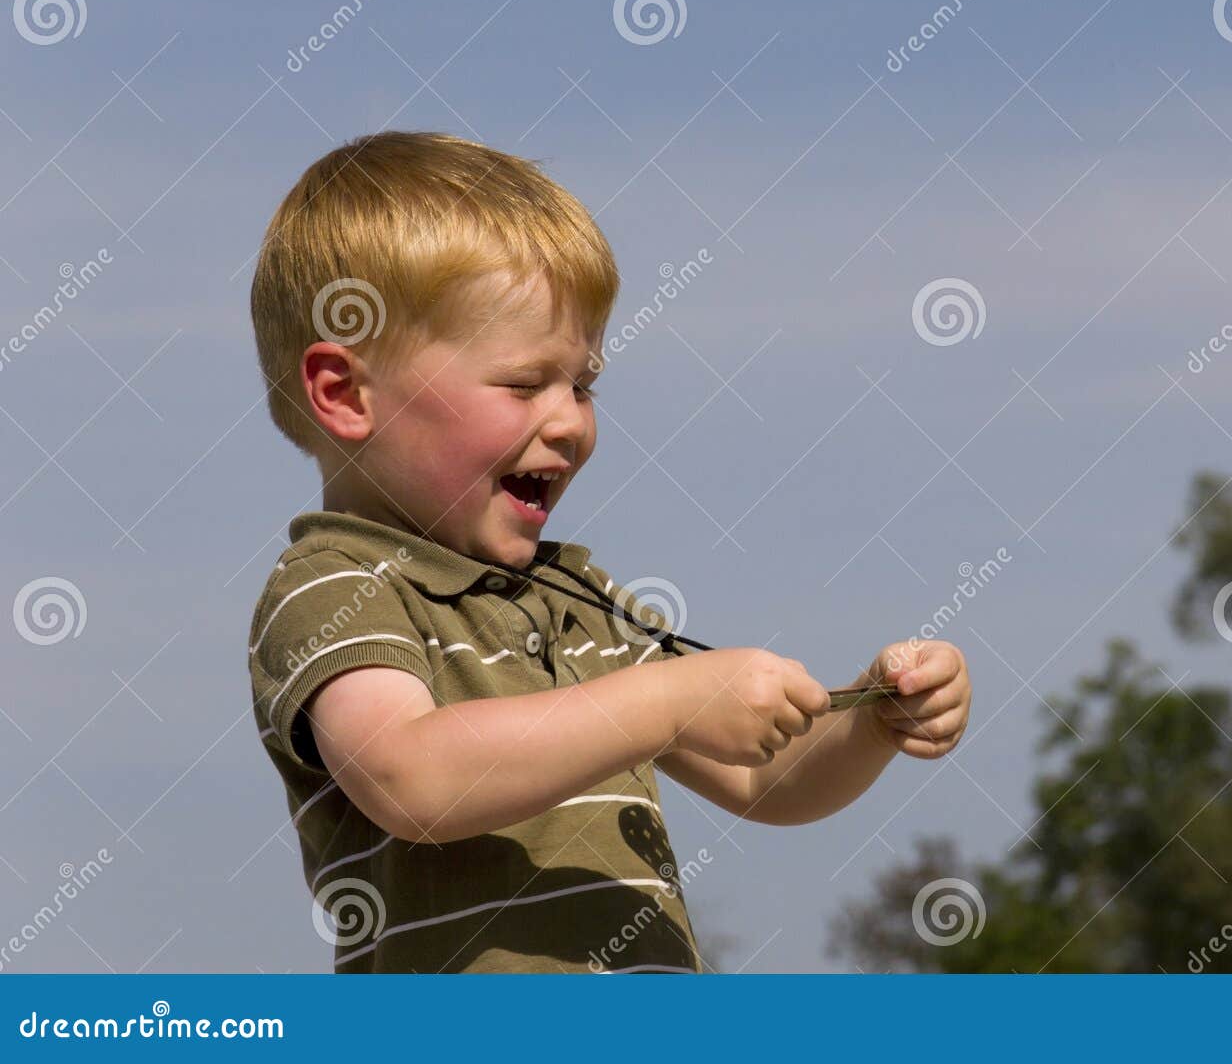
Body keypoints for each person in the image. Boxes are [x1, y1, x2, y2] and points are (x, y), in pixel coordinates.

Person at [245, 130, 972, 973]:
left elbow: (763, 781)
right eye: (523, 384)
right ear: (345, 392)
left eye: (583, 384)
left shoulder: (574, 597)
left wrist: (873, 720)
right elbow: (414, 777)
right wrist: (667, 699)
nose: (570, 422)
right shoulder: (332, 585)